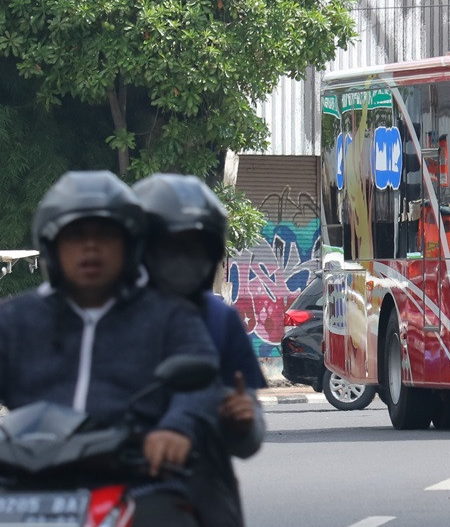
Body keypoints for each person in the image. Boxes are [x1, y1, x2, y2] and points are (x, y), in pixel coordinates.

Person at [0, 171, 220, 526]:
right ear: (52, 246)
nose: (90, 246)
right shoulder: (14, 319)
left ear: (130, 245)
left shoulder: (168, 316)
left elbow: (203, 381)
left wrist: (177, 428)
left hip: (136, 481)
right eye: (75, 235)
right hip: (23, 482)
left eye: (104, 235)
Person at [133, 173, 267, 527]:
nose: (183, 258)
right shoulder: (106, 314)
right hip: (107, 472)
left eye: (195, 247)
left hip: (196, 480)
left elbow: (248, 431)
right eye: (169, 245)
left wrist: (242, 421)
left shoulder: (219, 318)